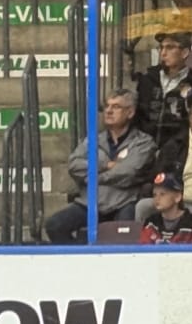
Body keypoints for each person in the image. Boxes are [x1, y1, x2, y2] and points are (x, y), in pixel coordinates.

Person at [45, 91, 156, 242]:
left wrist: (92, 177)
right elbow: (74, 165)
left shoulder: (143, 142)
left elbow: (128, 173)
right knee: (54, 225)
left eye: (116, 107)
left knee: (123, 235)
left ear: (130, 112)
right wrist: (106, 164)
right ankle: (82, 262)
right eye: (107, 106)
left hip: (123, 202)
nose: (109, 111)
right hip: (91, 202)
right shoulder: (93, 140)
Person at [135, 30, 192, 141]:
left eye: (169, 47)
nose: (163, 53)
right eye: (161, 48)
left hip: (178, 149)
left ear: (184, 53)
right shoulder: (148, 80)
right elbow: (139, 115)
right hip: (144, 145)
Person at [136, 171, 192, 244]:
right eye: (154, 194)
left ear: (177, 197)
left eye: (162, 194)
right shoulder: (151, 223)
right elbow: (143, 250)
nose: (157, 198)